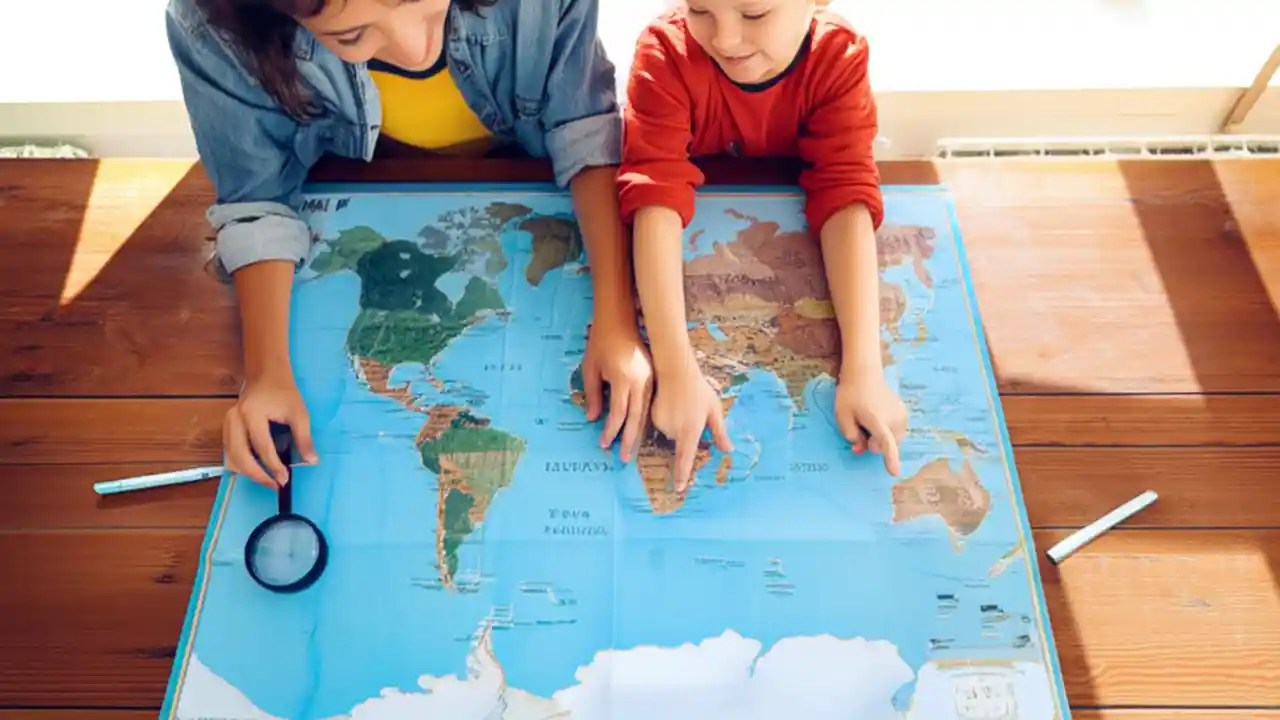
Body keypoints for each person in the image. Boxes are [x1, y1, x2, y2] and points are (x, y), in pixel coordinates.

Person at [165, 0, 653, 489]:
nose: (418, 51)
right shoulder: (212, 23)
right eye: (352, 35)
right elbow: (259, 202)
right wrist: (266, 375)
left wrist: (616, 318)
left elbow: (586, 134)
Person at [617, 0, 907, 489]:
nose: (725, 39)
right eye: (699, 9)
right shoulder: (664, 54)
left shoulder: (837, 56)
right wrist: (676, 369)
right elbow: (655, 199)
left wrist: (863, 369)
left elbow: (844, 190)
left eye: (754, 15)